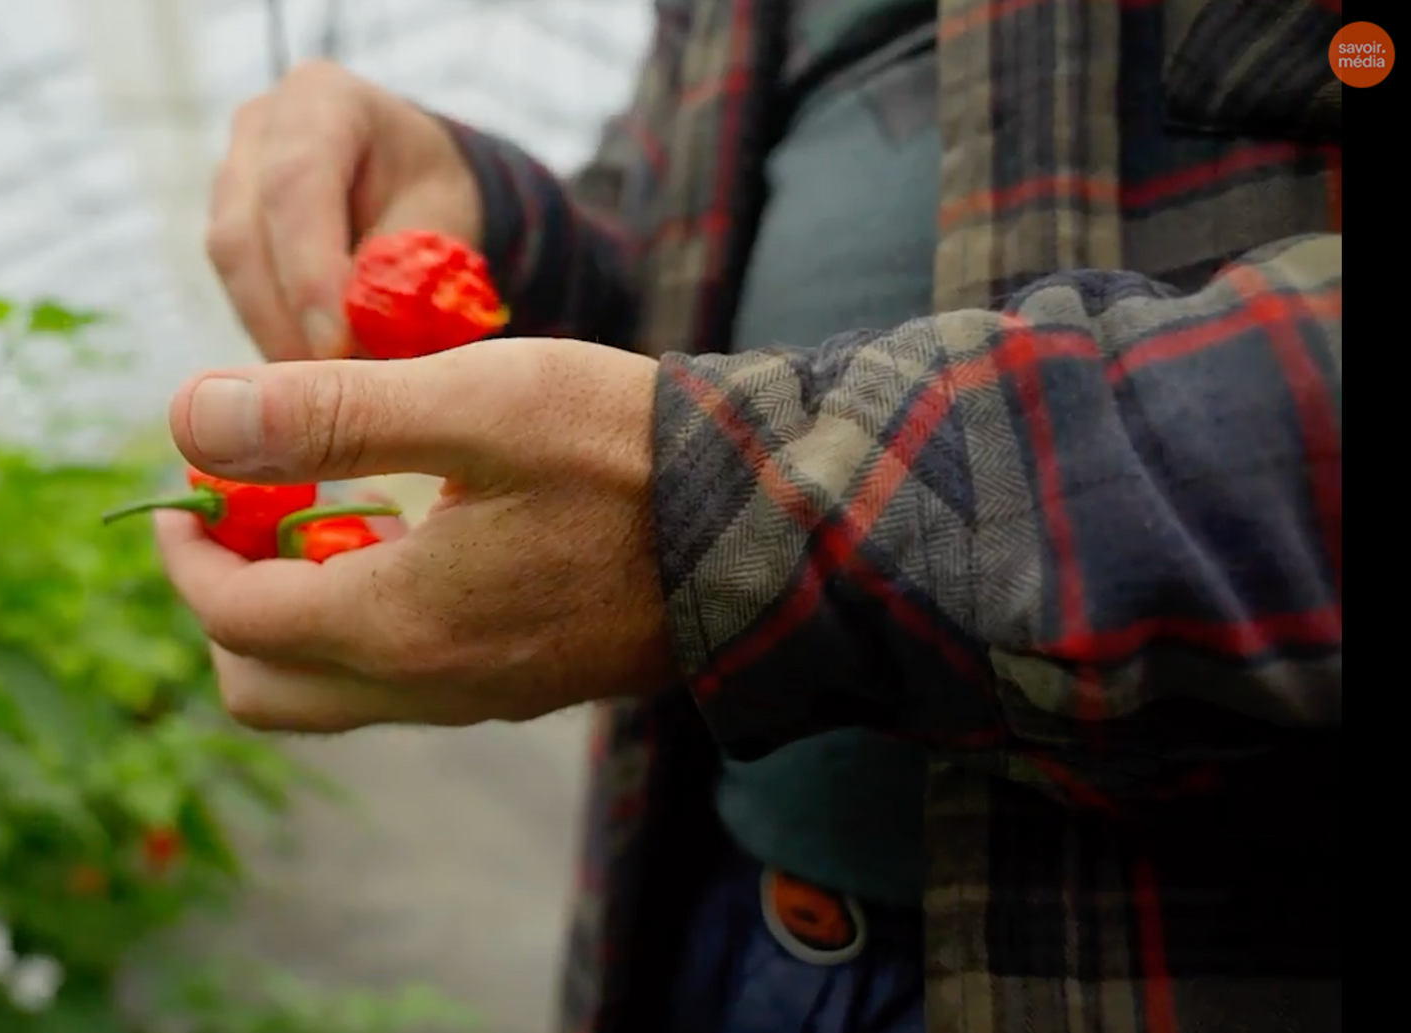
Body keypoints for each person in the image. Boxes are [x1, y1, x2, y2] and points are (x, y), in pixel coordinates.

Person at [158, 0, 1342, 1030]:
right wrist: (483, 210)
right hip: (716, 907)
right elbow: (667, 249)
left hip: (1175, 961)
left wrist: (713, 508)